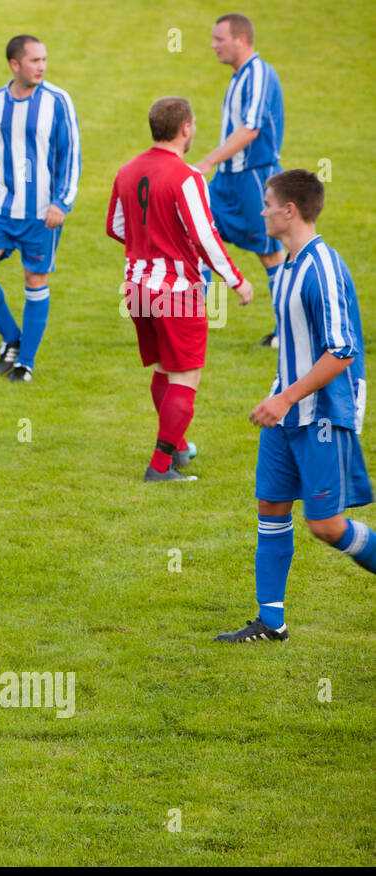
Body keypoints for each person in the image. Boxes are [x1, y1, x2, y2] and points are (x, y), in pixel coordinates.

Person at [216, 170, 372, 642]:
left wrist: (285, 397)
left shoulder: (321, 268)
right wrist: (279, 396)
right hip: (286, 409)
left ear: (290, 211)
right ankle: (271, 622)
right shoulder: (286, 265)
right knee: (271, 506)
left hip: (322, 411)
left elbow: (341, 350)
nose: (260, 210)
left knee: (325, 526)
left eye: (267, 203)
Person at [107, 97, 252, 481]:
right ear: (185, 128)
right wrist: (237, 280)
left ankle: (180, 446)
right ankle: (159, 466)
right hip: (175, 292)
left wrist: (147, 242)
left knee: (162, 368)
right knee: (186, 375)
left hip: (136, 288)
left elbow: (116, 227)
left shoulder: (126, 170)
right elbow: (205, 236)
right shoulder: (188, 178)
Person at [0, 34, 81, 383]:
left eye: (44, 59)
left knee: (35, 278)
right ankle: (13, 338)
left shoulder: (58, 102)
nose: (42, 66)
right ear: (15, 65)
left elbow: (71, 156)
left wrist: (62, 202)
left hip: (41, 212)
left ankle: (25, 363)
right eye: (34, 61)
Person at [194, 13, 285, 348]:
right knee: (198, 237)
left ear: (241, 40)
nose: (213, 46)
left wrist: (207, 161)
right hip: (226, 180)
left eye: (219, 39)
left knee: (270, 253)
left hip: (252, 179)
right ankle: (192, 323)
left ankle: (286, 332)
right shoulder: (239, 76)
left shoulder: (259, 73)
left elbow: (251, 128)